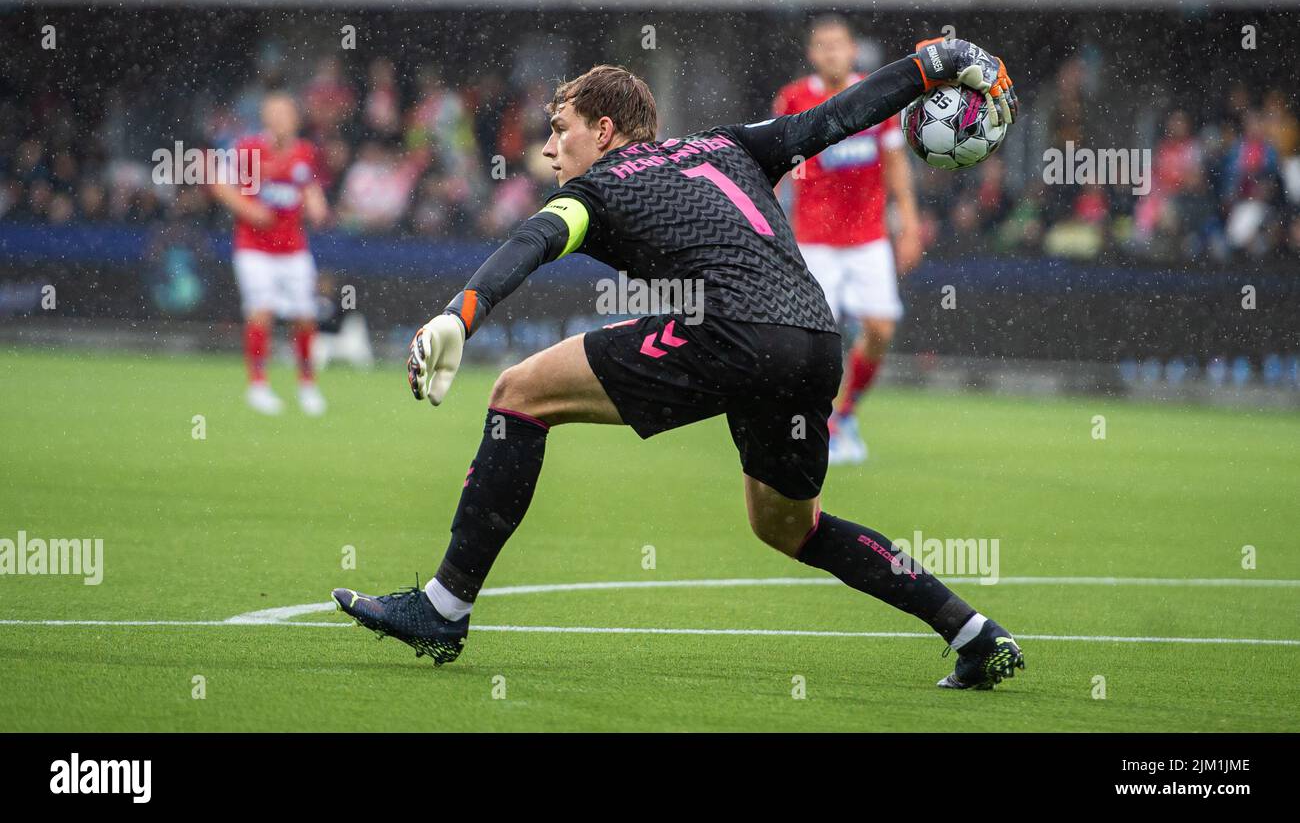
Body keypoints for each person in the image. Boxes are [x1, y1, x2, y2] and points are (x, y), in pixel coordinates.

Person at [333, 38, 1025, 690]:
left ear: (604, 131)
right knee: (791, 526)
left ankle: (445, 607)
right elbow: (837, 117)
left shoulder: (596, 189)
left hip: (731, 331)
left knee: (519, 392)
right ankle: (974, 634)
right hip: (814, 340)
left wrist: (461, 313)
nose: (548, 148)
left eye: (561, 129)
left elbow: (533, 241)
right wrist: (934, 62)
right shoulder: (727, 144)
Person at [774, 15, 920, 464]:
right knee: (814, 343)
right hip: (814, 239)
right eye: (823, 45)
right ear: (811, 54)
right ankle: (811, 426)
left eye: (839, 44)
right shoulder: (794, 98)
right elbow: (775, 162)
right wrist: (767, 222)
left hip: (868, 237)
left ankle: (846, 414)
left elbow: (895, 163)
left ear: (853, 50)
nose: (832, 52)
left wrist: (909, 222)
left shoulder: (877, 95)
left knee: (880, 328)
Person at [212, 92, 329, 416]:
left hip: (293, 248)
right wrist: (249, 210)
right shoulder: (247, 149)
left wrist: (317, 205)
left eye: (284, 114)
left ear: (295, 118)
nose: (279, 120)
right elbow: (220, 185)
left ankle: (307, 385)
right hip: (254, 248)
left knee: (304, 316)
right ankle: (258, 385)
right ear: (265, 118)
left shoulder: (305, 152)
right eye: (273, 114)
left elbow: (309, 187)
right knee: (261, 311)